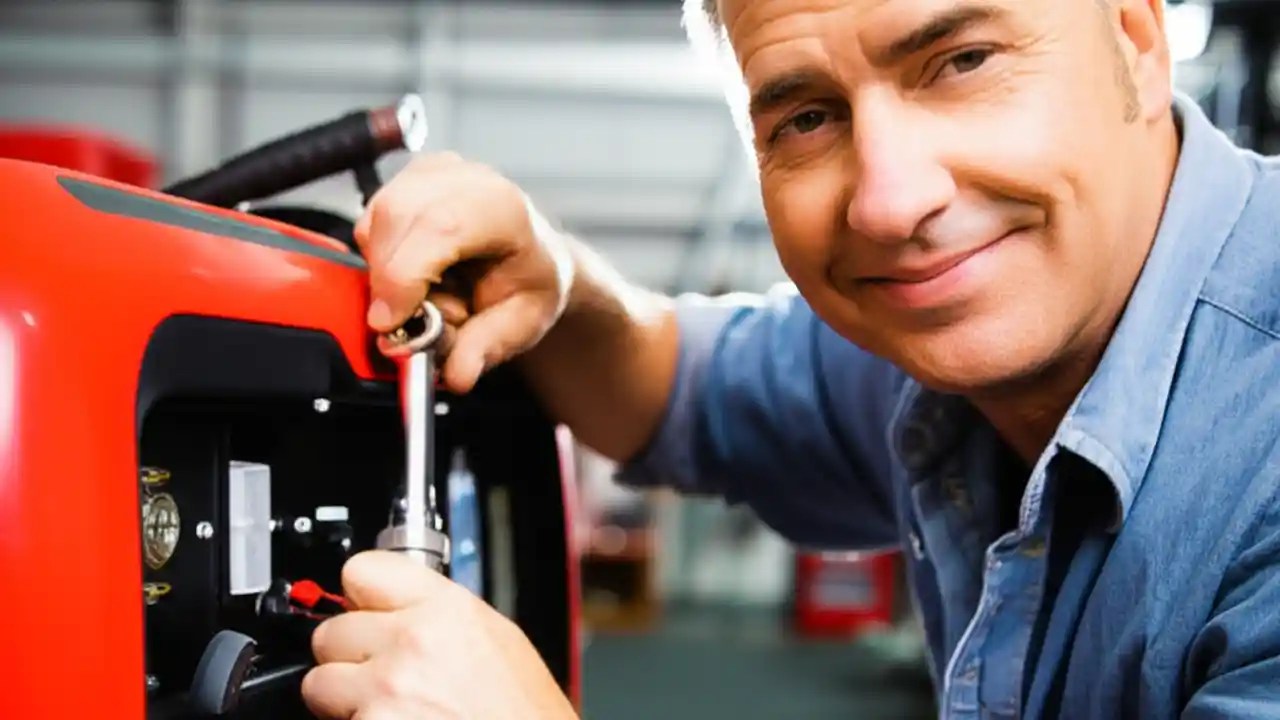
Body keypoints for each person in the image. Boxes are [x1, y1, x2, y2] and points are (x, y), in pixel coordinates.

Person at [300, 0, 1280, 717]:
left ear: (1136, 40)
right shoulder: (941, 350)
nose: (888, 203)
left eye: (962, 59)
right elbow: (672, 387)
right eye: (804, 119)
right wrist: (554, 281)